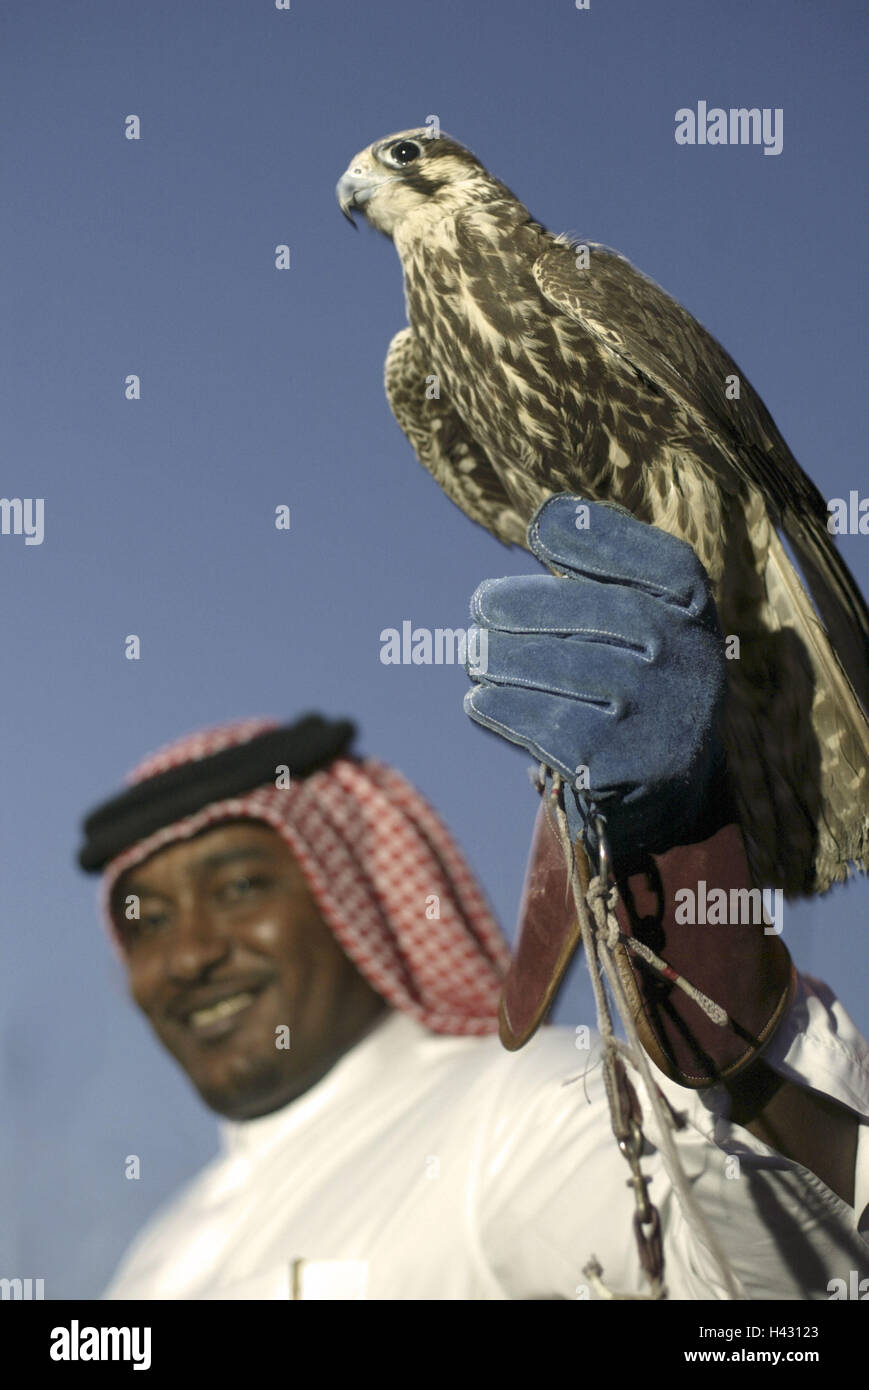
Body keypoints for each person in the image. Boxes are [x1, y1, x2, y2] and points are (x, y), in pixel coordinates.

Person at [78, 499, 869, 1301]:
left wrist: (690, 916)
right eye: (149, 920)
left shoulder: (520, 1115)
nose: (187, 955)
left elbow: (792, 1293)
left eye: (241, 887)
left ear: (361, 896)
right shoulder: (155, 1258)